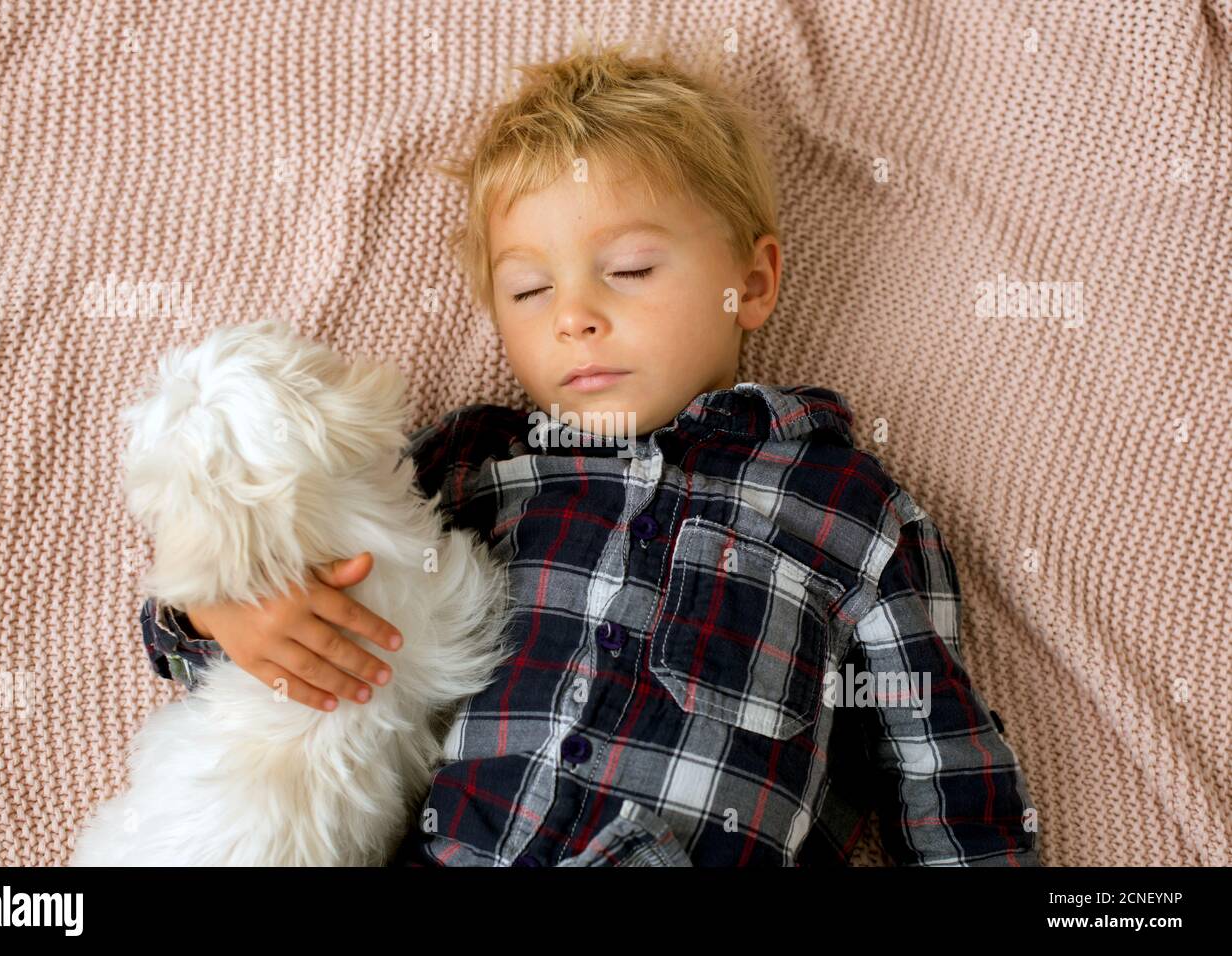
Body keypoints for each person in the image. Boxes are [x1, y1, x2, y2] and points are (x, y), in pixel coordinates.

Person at [140, 36, 1039, 867]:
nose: (575, 315)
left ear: (752, 282)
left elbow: (946, 768)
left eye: (632, 270)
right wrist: (221, 615)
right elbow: (297, 616)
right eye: (529, 289)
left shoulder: (846, 506)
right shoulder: (468, 466)